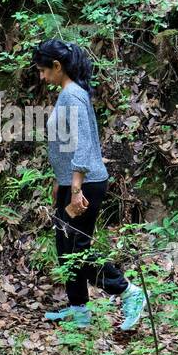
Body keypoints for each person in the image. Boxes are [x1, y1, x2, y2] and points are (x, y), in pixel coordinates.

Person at [33, 39, 145, 332]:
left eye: (43, 71)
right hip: (71, 181)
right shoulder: (68, 93)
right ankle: (78, 310)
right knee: (66, 247)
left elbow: (82, 145)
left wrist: (75, 188)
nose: (42, 77)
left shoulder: (72, 95)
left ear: (57, 67)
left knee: (78, 251)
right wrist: (61, 182)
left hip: (86, 183)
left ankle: (129, 292)